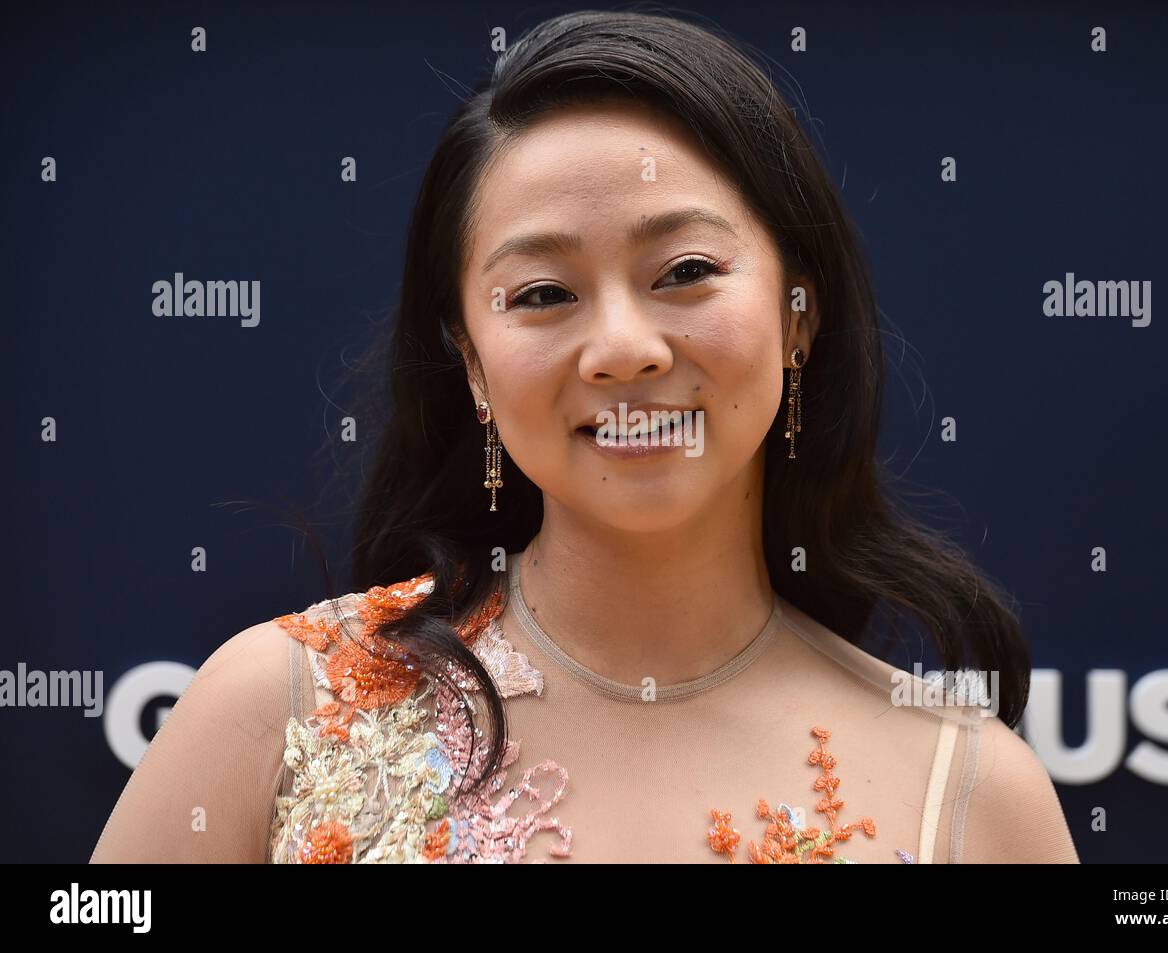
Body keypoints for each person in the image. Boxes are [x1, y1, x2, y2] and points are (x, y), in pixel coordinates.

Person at [90, 9, 1078, 864]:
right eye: (544, 293)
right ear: (471, 363)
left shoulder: (971, 786)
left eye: (684, 269)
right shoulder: (280, 703)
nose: (621, 347)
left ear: (797, 313)